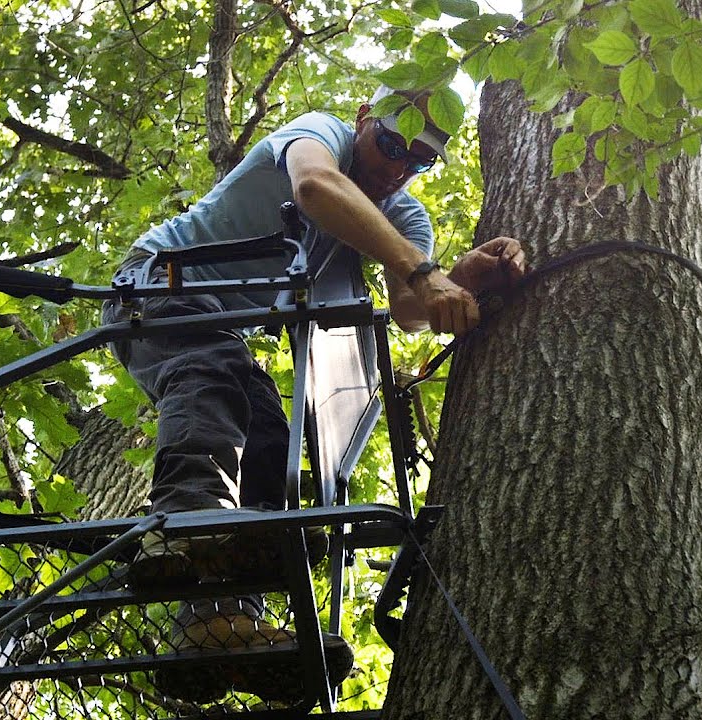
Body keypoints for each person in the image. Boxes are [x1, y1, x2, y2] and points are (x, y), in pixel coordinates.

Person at [101, 87, 525, 704]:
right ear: (361, 121)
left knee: (269, 434)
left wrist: (459, 276)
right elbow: (315, 189)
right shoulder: (318, 133)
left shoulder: (403, 216)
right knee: (210, 378)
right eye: (390, 144)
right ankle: (185, 521)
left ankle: (219, 620)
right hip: (161, 285)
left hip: (220, 324)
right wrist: (423, 272)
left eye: (419, 160)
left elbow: (409, 310)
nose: (397, 167)